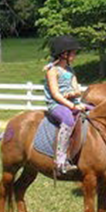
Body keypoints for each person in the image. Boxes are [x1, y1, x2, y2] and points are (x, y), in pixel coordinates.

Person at [43, 34, 86, 174]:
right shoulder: (52, 71)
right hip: (56, 105)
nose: (75, 55)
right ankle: (60, 161)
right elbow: (55, 95)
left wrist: (74, 95)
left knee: (93, 111)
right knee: (67, 119)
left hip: (71, 101)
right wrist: (72, 105)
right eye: (73, 52)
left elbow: (77, 90)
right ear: (64, 54)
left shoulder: (70, 70)